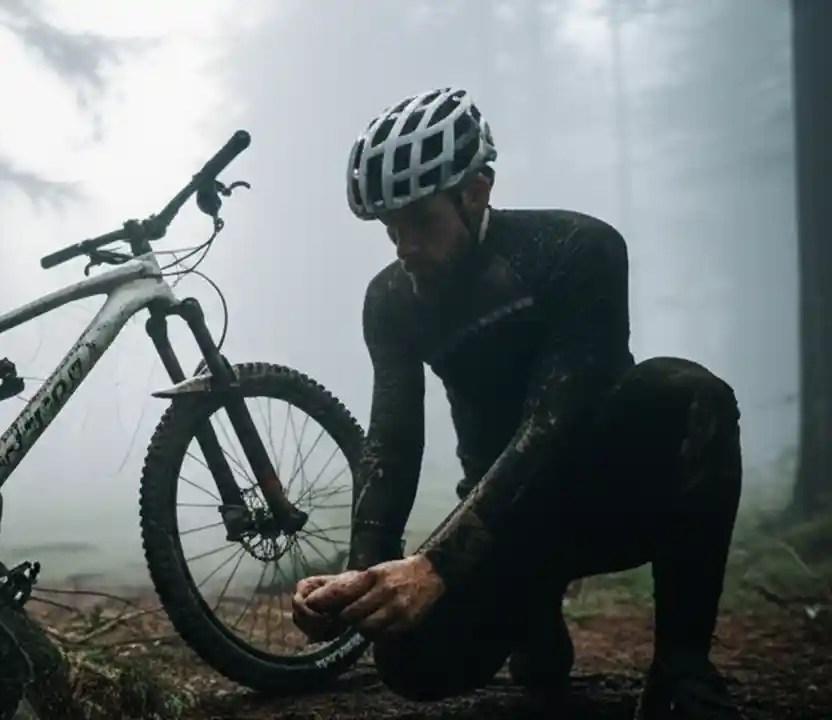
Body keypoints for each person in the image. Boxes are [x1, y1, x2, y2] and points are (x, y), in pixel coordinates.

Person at [291, 87, 743, 719]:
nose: (404, 245)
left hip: (611, 494)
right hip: (509, 527)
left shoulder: (578, 249)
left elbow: (551, 423)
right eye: (390, 227)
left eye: (420, 220)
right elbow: (392, 442)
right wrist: (360, 582)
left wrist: (439, 564)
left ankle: (683, 668)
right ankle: (533, 611)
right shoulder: (392, 299)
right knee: (409, 659)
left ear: (476, 191)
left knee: (696, 397)